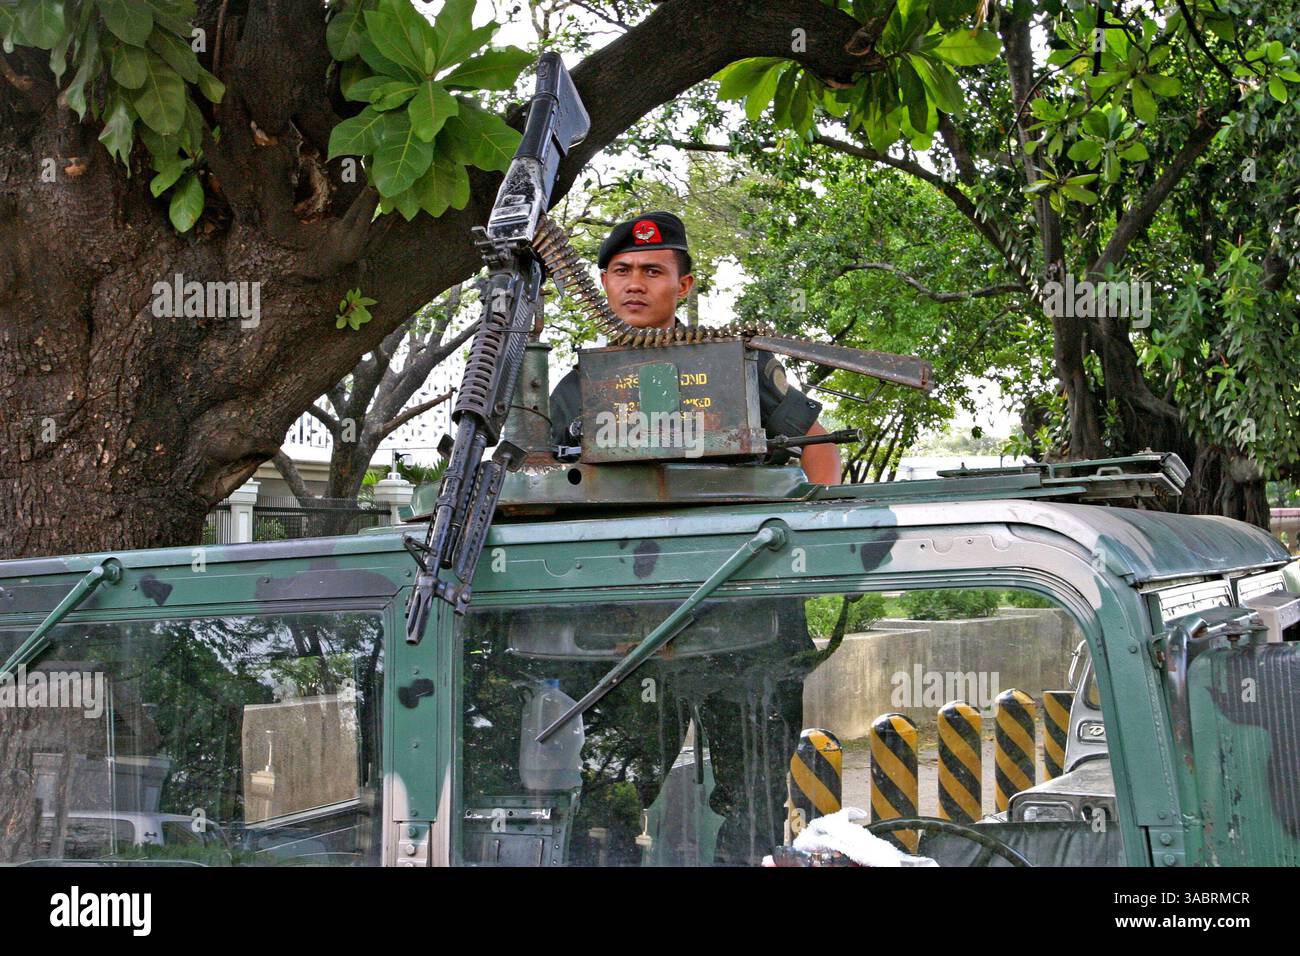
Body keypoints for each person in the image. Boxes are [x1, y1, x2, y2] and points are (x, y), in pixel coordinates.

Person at [548, 211, 842, 484]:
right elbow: (539, 477)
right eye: (622, 271)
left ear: (684, 285)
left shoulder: (730, 363)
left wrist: (817, 517)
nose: (634, 285)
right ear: (604, 281)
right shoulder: (577, 387)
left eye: (652, 272)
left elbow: (817, 445)